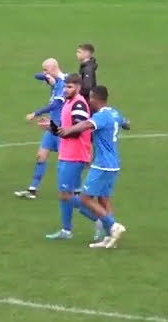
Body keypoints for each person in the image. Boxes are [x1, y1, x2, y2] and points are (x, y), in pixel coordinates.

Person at [56, 84, 128, 249]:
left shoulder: (101, 116)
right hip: (114, 164)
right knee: (103, 199)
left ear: (95, 98)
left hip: (102, 164)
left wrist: (67, 130)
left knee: (85, 198)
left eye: (91, 98)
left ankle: (113, 225)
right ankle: (111, 237)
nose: (89, 100)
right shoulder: (114, 113)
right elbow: (126, 123)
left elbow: (86, 125)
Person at [41, 74, 103, 242]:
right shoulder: (69, 103)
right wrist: (52, 128)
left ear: (77, 87)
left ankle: (101, 220)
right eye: (64, 87)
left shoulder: (79, 104)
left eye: (69, 87)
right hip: (66, 153)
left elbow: (78, 130)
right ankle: (66, 230)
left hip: (75, 155)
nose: (65, 90)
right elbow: (67, 129)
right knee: (69, 194)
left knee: (66, 195)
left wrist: (56, 129)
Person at [14, 58, 66, 199]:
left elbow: (56, 105)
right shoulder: (55, 81)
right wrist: (47, 77)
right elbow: (36, 75)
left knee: (66, 162)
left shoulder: (64, 84)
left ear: (54, 68)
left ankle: (76, 190)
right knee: (41, 156)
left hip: (64, 128)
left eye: (46, 70)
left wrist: (35, 113)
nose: (43, 73)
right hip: (52, 125)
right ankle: (33, 189)